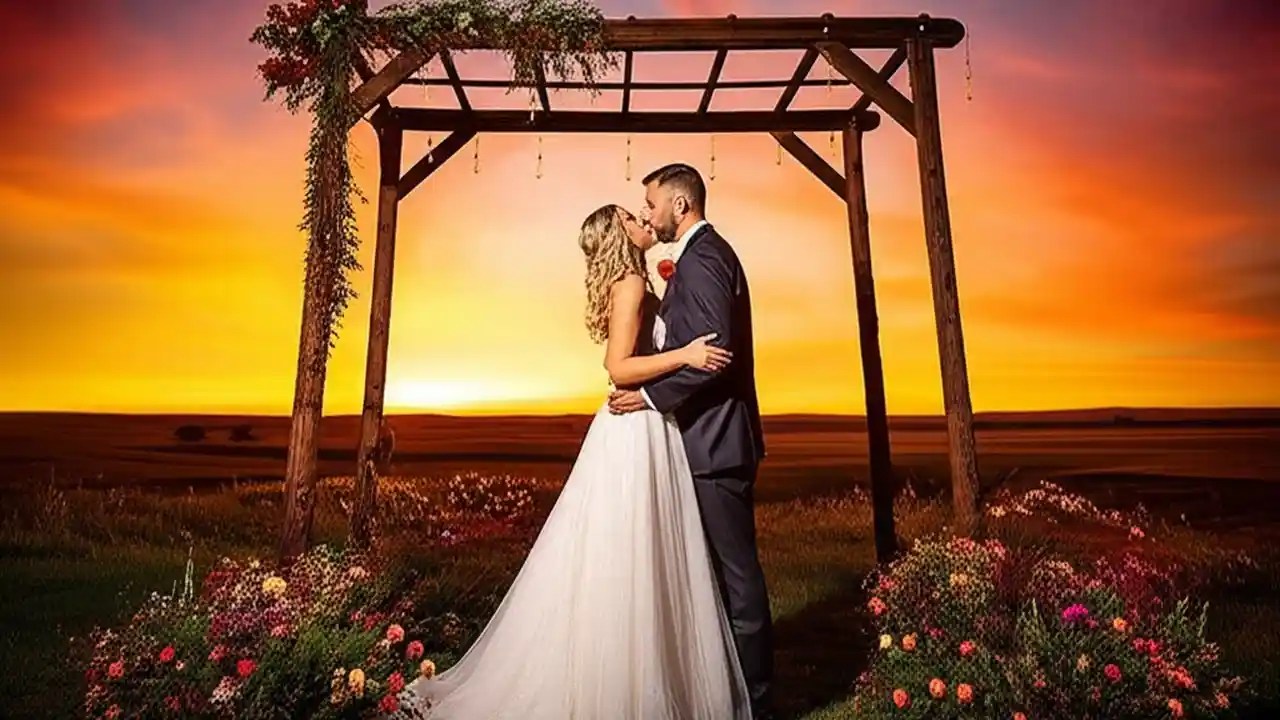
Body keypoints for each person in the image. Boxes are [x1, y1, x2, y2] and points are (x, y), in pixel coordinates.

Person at [393, 196, 753, 719]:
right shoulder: (630, 286)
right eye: (632, 217)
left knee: (636, 550)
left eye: (641, 210)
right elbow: (619, 368)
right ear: (619, 235)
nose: (642, 219)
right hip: (636, 431)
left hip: (646, 426)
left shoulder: (636, 283)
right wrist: (686, 354)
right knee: (632, 549)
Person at [610, 162, 774, 719]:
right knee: (715, 577)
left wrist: (650, 397)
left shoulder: (704, 259)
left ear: (681, 205)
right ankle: (721, 691)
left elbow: (714, 357)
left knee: (737, 577)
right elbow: (687, 338)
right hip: (704, 442)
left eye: (651, 202)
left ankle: (754, 702)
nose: (647, 212)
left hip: (717, 444)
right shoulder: (699, 259)